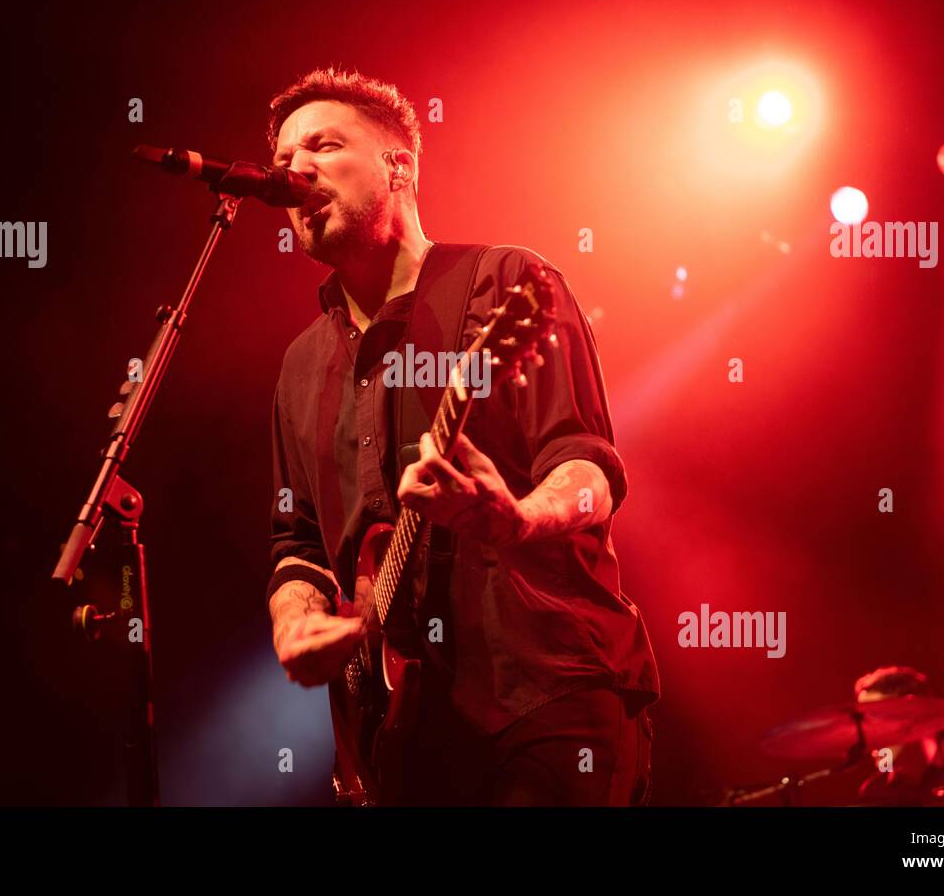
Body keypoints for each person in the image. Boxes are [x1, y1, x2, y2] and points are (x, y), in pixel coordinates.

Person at [262, 66, 659, 805]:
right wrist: (298, 623)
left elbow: (589, 469)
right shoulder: (299, 366)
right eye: (285, 162)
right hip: (401, 731)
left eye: (322, 145)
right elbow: (299, 548)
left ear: (398, 165)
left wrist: (518, 516)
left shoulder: (502, 282)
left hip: (543, 691)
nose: (297, 170)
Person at [853, 665, 944, 806]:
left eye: (877, 718)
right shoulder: (874, 791)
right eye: (864, 722)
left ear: (914, 715)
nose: (868, 734)